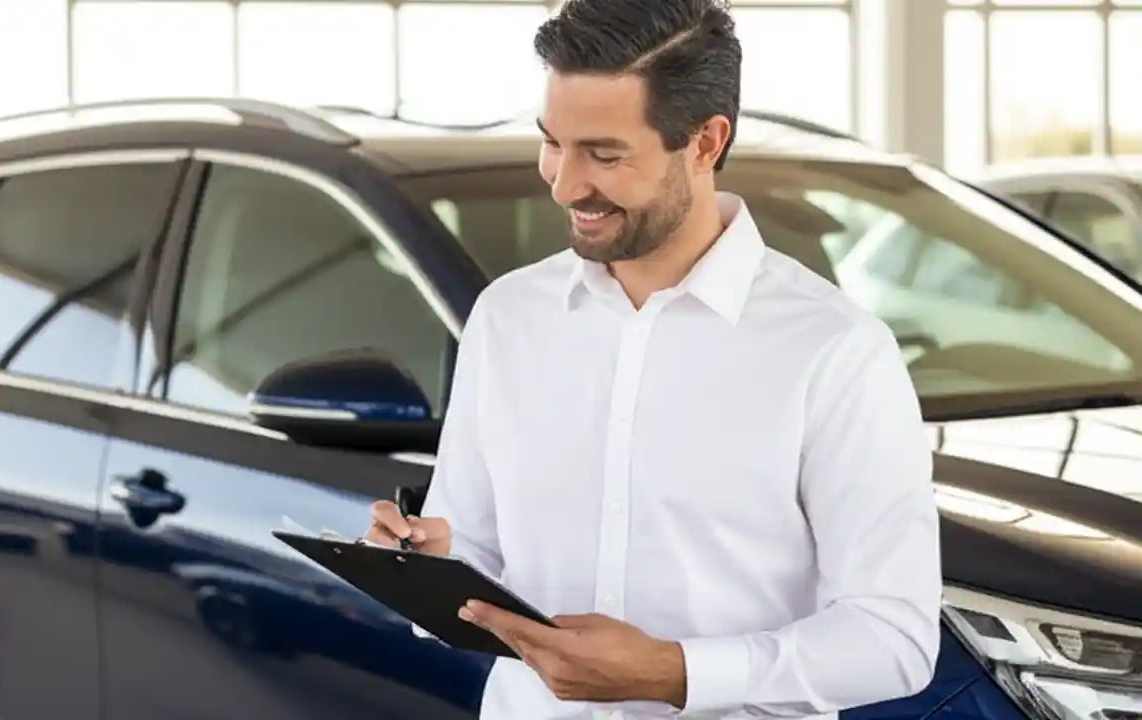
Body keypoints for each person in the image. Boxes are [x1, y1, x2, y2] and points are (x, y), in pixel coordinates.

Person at [365, 0, 942, 717]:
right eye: (553, 143)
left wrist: (675, 673)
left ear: (704, 143)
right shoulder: (508, 319)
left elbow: (894, 638)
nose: (565, 184)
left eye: (604, 155)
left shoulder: (834, 351)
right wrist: (428, 570)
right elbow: (477, 558)